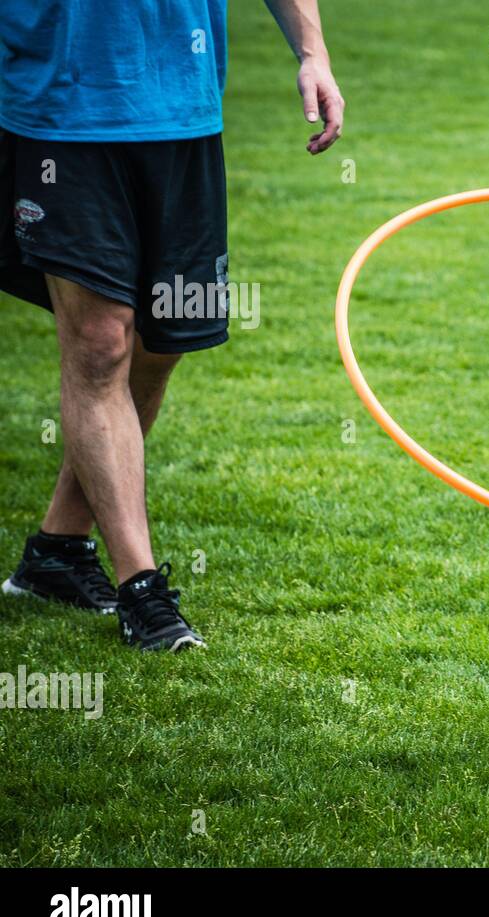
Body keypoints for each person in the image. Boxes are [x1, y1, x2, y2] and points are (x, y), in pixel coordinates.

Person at [0, 1, 345, 651]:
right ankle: (142, 589)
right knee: (101, 346)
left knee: (162, 342)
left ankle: (58, 550)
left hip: (183, 105)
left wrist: (312, 52)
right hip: (63, 105)